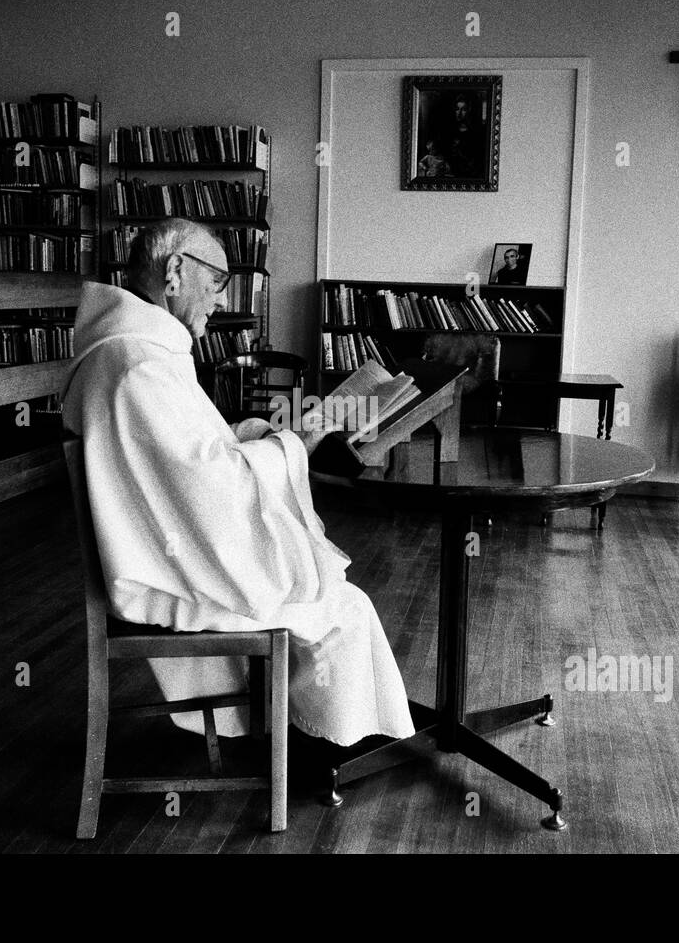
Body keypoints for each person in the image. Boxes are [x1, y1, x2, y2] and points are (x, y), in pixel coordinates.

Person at [61, 218, 416, 749]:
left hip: (163, 555)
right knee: (343, 607)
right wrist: (293, 446)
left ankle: (303, 732)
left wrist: (265, 436)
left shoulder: (136, 351)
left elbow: (192, 461)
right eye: (218, 281)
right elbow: (205, 489)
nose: (221, 301)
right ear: (176, 271)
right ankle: (332, 746)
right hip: (162, 573)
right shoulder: (137, 365)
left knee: (340, 598)